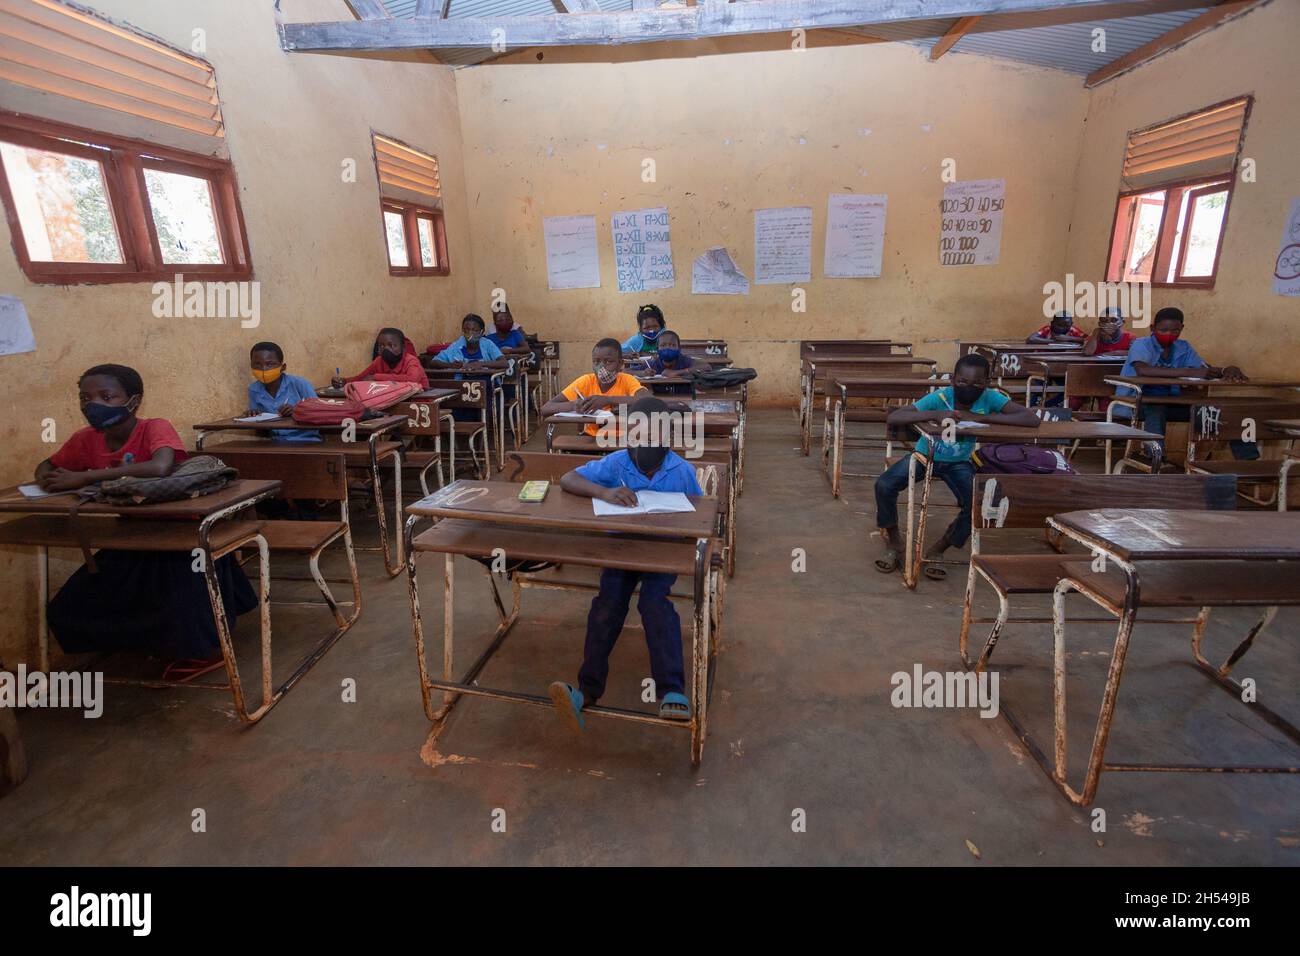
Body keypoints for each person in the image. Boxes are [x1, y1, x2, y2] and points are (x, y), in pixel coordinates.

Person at [35, 364, 258, 679]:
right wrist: (48, 479)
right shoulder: (85, 440)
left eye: (106, 396)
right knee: (72, 603)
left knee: (184, 596)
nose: (92, 405)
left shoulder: (154, 428)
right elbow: (47, 466)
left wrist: (84, 477)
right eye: (85, 398)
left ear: (133, 401)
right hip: (133, 533)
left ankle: (206, 651)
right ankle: (140, 642)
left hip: (183, 532)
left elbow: (160, 467)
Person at [549, 396, 703, 729]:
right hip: (621, 551)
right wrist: (603, 493)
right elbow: (567, 480)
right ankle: (587, 690)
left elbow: (701, 518)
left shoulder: (681, 470)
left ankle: (672, 691)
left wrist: (706, 549)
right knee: (607, 604)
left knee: (653, 604)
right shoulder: (618, 463)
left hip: (662, 555)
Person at [875, 354, 1040, 580]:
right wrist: (936, 414)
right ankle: (894, 543)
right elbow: (896, 418)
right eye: (962, 382)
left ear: (987, 382)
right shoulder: (942, 397)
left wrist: (982, 418)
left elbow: (1030, 419)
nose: (969, 388)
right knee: (884, 485)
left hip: (959, 463)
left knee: (976, 503)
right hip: (925, 456)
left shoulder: (990, 398)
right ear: (953, 380)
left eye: (977, 384)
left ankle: (940, 548)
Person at [1114, 307, 1257, 461]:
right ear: (1152, 328)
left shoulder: (1183, 347)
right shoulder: (1141, 344)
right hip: (1134, 404)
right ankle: (1156, 461)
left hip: (1173, 403)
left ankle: (1248, 461)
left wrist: (1226, 369)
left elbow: (1204, 369)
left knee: (1223, 413)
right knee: (1156, 408)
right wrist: (1190, 372)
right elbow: (1143, 370)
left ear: (1182, 329)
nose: (1169, 334)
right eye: (1163, 330)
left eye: (1175, 331)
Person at [541, 338, 649, 437]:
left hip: (622, 439)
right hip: (592, 437)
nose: (601, 367)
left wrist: (607, 400)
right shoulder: (586, 381)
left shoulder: (627, 380)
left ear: (620, 363)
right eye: (596, 362)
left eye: (608, 361)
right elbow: (545, 409)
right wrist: (573, 405)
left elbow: (648, 400)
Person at [246, 341, 321, 442]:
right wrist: (253, 414)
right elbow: (259, 427)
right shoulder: (254, 389)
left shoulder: (299, 384)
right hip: (275, 442)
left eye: (270, 364)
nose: (263, 369)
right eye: (257, 364)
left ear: (283, 367)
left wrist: (296, 411)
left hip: (306, 440)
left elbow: (319, 413)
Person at [333, 327, 428, 389]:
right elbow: (361, 377)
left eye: (391, 345)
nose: (386, 349)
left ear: (402, 347)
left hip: (419, 401)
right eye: (381, 345)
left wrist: (377, 377)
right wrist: (344, 381)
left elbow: (412, 379)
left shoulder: (410, 360)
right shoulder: (379, 361)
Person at [640, 329, 709, 396]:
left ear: (679, 348)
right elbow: (629, 371)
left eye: (672, 345)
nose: (667, 348)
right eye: (663, 345)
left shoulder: (684, 360)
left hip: (684, 398)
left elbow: (706, 367)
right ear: (657, 349)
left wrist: (677, 372)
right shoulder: (653, 363)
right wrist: (643, 373)